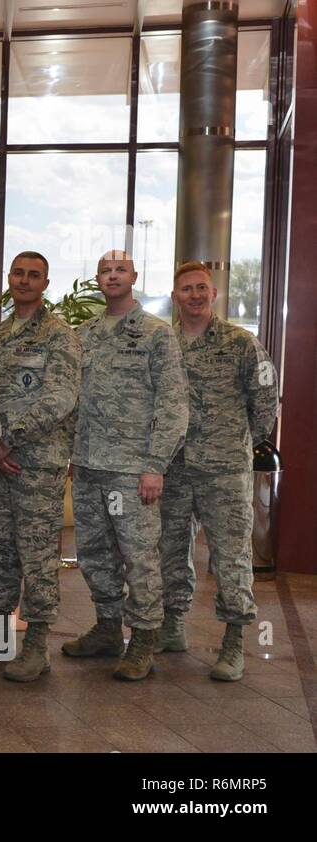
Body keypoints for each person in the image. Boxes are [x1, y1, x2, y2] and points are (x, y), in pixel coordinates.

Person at [65, 250, 188, 681]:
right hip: (89, 465)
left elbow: (173, 404)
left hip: (132, 470)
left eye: (120, 269)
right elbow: (73, 401)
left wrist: (155, 465)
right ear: (97, 278)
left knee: (139, 557)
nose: (112, 275)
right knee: (95, 555)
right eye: (105, 270)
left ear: (134, 276)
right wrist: (72, 456)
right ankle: (106, 627)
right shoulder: (85, 334)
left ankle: (144, 639)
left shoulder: (156, 334)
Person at [157, 261, 277, 681]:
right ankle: (172, 626)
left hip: (223, 470)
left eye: (201, 288)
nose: (194, 295)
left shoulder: (240, 343)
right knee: (170, 550)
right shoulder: (164, 343)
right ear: (175, 297)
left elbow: (265, 399)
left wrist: (238, 441)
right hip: (173, 468)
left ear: (214, 294)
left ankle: (233, 643)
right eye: (186, 289)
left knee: (230, 556)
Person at [0, 252, 82, 682]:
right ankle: (0, 632)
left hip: (36, 464)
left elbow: (61, 398)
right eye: (18, 273)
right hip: (0, 463)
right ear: (9, 278)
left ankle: (37, 645)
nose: (24, 280)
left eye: (33, 275)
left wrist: (8, 437)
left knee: (38, 554)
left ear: (45, 283)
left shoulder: (59, 336)